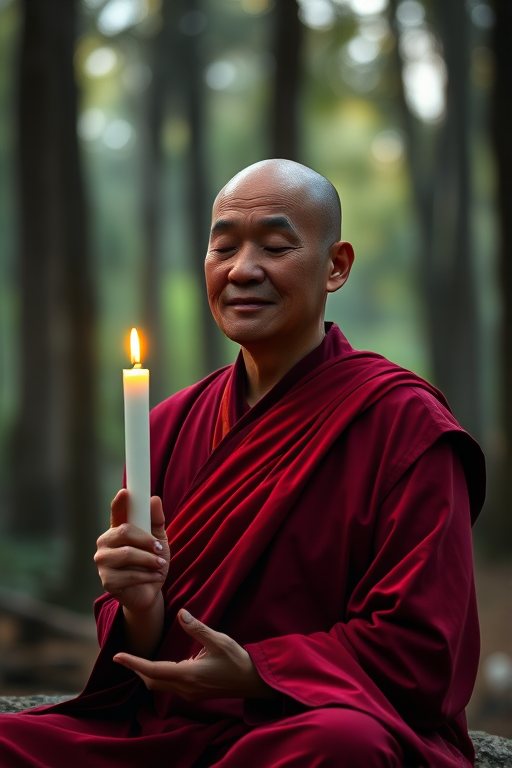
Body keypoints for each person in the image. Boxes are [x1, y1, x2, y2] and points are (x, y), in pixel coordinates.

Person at [0, 159, 485, 767]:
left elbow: (424, 648)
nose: (242, 270)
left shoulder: (404, 426)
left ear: (335, 266)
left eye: (277, 247)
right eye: (223, 247)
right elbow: (146, 656)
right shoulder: (166, 427)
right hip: (171, 730)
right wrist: (140, 601)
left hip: (307, 722)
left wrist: (259, 672)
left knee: (341, 748)